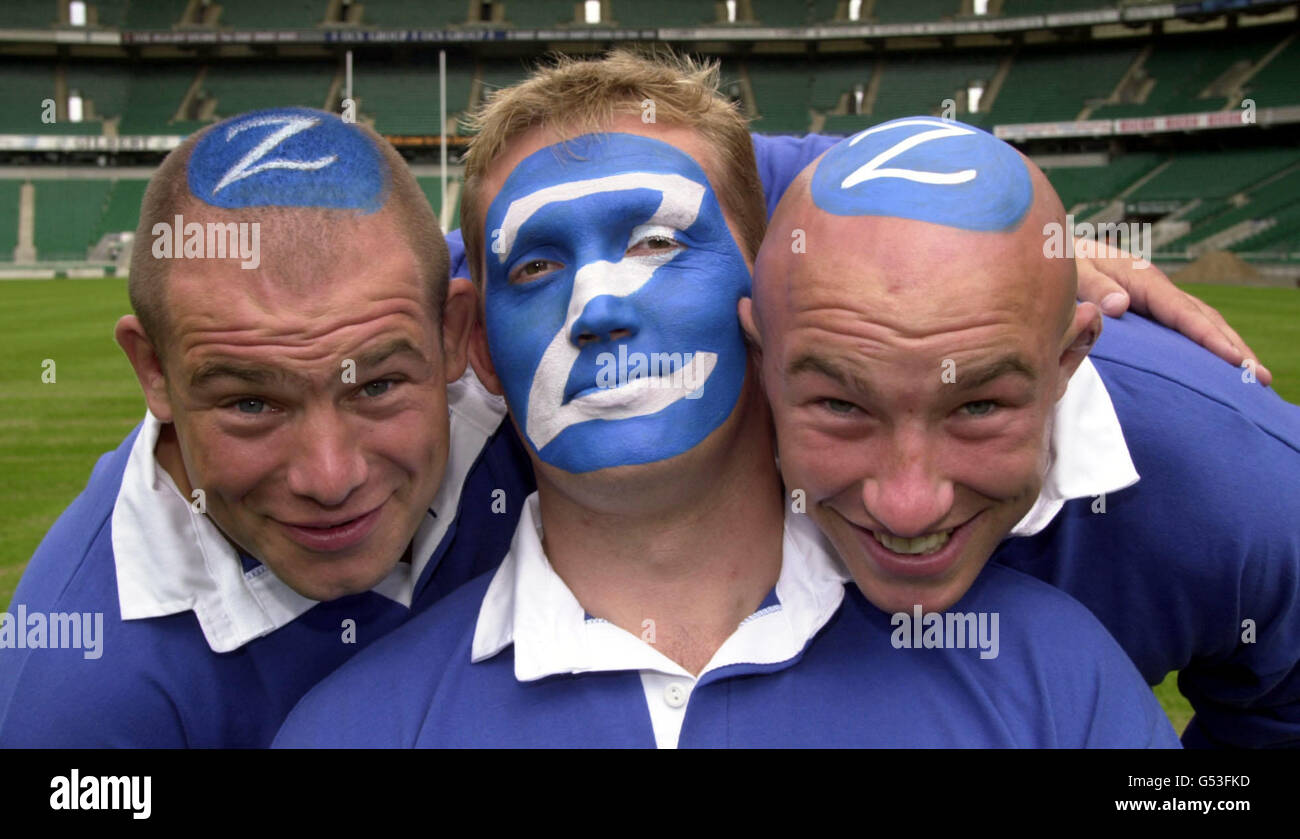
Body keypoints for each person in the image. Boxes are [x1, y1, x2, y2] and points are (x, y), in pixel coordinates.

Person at [274, 51, 1178, 748]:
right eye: (539, 264)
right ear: (478, 348)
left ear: (767, 305)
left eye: (660, 243)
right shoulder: (351, 730)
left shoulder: (1062, 684)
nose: (599, 308)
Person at [744, 116, 1300, 748]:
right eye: (841, 405)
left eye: (979, 407)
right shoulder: (678, 414)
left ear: (1070, 358)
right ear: (757, 357)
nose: (907, 508)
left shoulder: (1259, 499)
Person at [0, 107, 533, 747]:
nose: (330, 479)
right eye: (252, 403)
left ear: (455, 332)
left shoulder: (530, 312)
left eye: (377, 386)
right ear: (154, 372)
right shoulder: (76, 709)